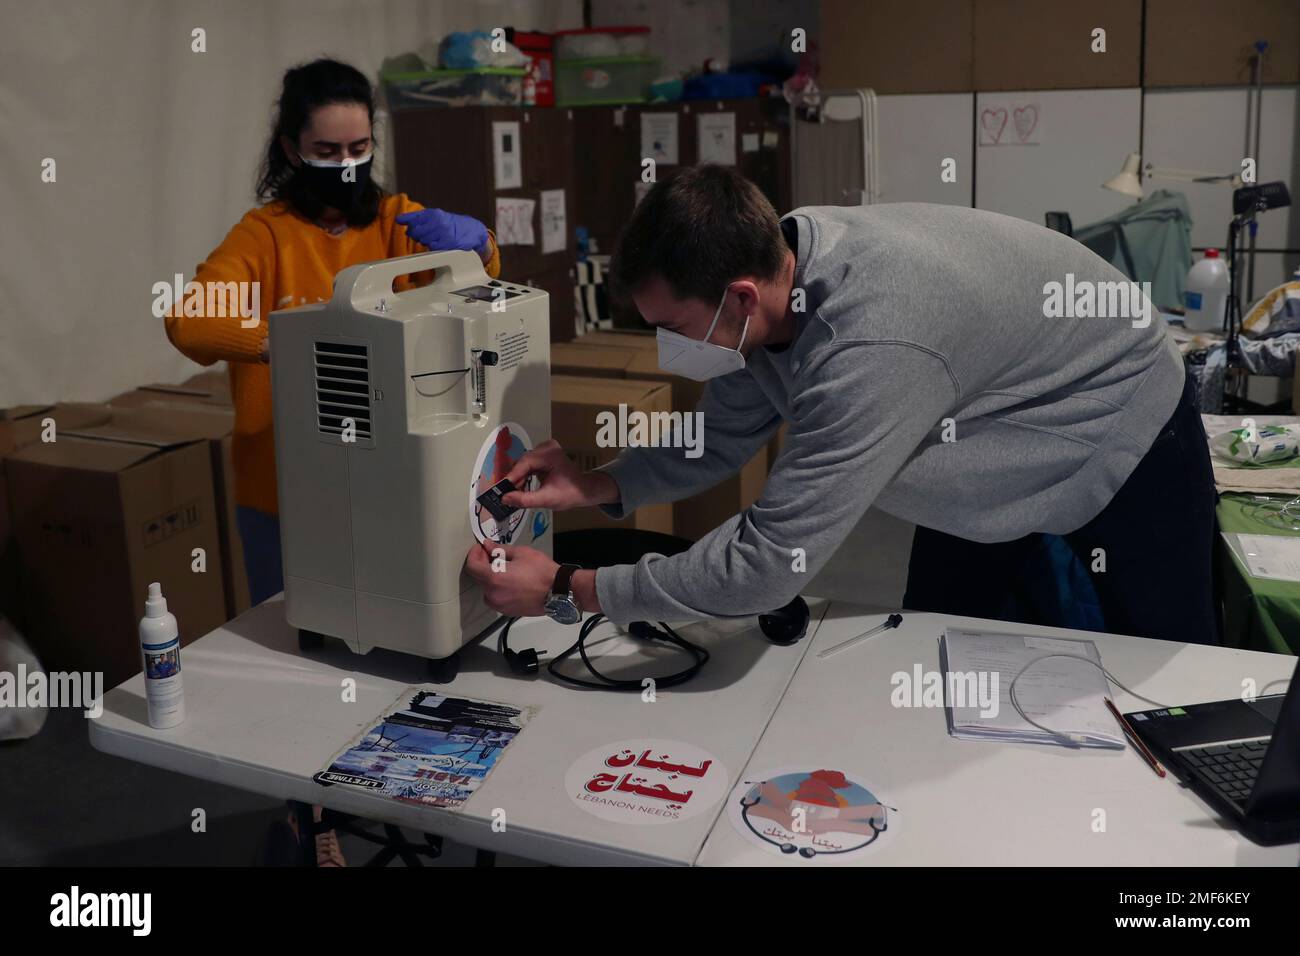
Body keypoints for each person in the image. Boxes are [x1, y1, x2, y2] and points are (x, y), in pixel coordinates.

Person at [466, 164, 1219, 646]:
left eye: (670, 328)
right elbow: (722, 438)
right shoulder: (777, 266)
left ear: (738, 297)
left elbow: (767, 565)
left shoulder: (873, 348)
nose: (667, 349)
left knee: (1167, 666)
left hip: (1125, 418)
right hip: (984, 411)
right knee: (943, 644)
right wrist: (601, 483)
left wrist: (571, 591)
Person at [166, 58, 500, 606]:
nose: (347, 165)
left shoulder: (398, 220)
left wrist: (481, 243)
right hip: (282, 489)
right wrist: (279, 343)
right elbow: (188, 320)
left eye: (358, 149)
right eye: (327, 152)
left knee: (392, 622)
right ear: (293, 150)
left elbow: (480, 283)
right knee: (300, 630)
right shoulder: (264, 237)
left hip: (389, 477)